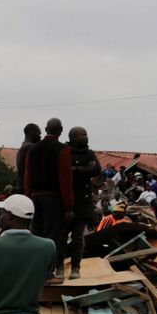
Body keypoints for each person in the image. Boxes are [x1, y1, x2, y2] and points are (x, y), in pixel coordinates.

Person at [24, 118, 73, 282]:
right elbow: (65, 179)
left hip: (35, 198)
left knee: (36, 235)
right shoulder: (63, 150)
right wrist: (68, 207)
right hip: (53, 199)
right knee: (52, 237)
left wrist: (27, 199)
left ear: (46, 129)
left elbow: (27, 177)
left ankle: (35, 271)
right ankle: (48, 272)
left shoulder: (33, 149)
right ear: (61, 130)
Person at [66, 126, 102, 280]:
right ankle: (58, 267)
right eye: (83, 135)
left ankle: (76, 268)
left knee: (78, 237)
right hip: (66, 201)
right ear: (73, 137)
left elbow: (96, 169)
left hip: (83, 202)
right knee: (61, 236)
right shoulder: (65, 152)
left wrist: (75, 168)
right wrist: (85, 168)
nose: (87, 137)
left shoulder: (89, 153)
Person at [14, 123, 41, 193]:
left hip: (21, 186)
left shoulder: (22, 148)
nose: (40, 137)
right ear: (32, 133)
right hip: (28, 188)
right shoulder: (31, 148)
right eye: (38, 134)